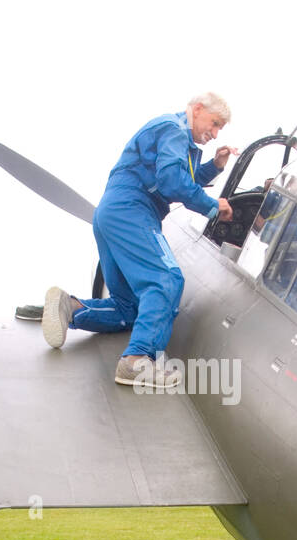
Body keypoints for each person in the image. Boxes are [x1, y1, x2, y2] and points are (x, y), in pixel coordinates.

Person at [40, 94, 235, 387]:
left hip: (112, 212)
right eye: (215, 123)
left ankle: (71, 307)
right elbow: (172, 181)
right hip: (134, 210)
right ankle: (137, 361)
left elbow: (180, 176)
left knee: (129, 307)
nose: (216, 132)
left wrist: (215, 166)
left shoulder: (174, 136)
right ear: (198, 110)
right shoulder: (174, 131)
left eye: (221, 128)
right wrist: (211, 205)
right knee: (166, 279)